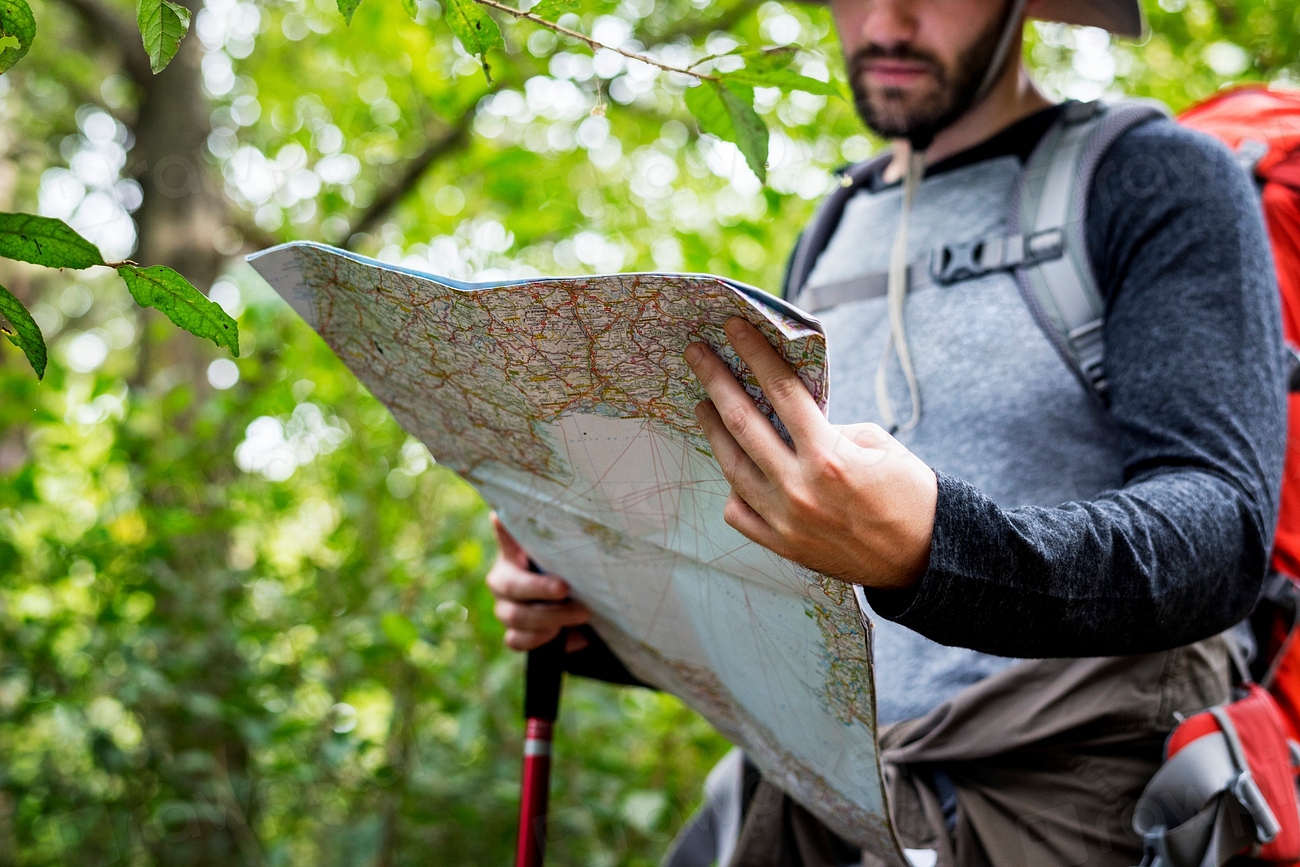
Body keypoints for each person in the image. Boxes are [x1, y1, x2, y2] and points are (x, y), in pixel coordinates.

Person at [486, 0, 1288, 863]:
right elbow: (800, 589)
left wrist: (937, 546)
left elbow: (1221, 527)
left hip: (1077, 810)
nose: (888, 20)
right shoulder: (832, 233)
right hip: (826, 806)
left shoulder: (1154, 179)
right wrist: (605, 615)